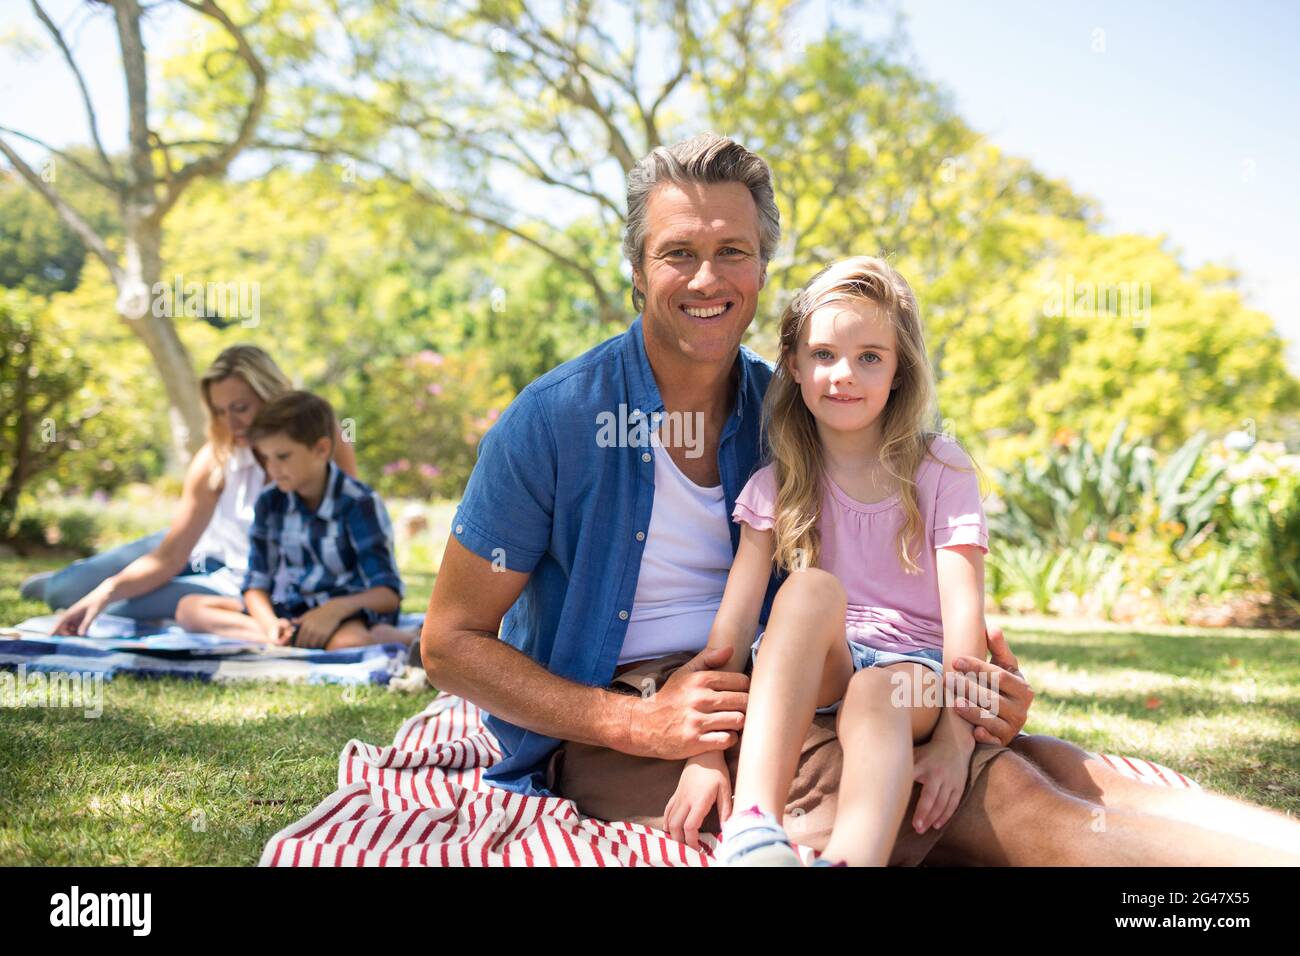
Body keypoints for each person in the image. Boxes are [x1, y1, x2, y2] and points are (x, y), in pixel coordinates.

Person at [422, 131, 1300, 865]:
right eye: (677, 253)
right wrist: (637, 723)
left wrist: (980, 695)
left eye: (733, 250)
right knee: (1024, 812)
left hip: (818, 682)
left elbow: (910, 566)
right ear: (637, 267)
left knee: (1048, 764)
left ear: (763, 267)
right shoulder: (557, 420)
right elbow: (450, 644)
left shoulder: (793, 416)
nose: (706, 277)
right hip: (640, 719)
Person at [667, 256, 989, 866]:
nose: (844, 375)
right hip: (823, 663)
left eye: (870, 356)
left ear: (898, 371)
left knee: (877, 693)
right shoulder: (777, 482)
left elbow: (965, 616)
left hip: (911, 671)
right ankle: (755, 829)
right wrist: (703, 751)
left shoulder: (942, 468)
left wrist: (955, 739)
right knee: (811, 588)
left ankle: (851, 859)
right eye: (823, 355)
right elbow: (732, 628)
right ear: (793, 364)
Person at [25, 345, 358, 635]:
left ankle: (77, 585)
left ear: (271, 395)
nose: (231, 422)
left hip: (235, 578)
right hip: (195, 547)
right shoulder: (216, 458)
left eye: (240, 408)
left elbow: (348, 532)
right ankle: (61, 581)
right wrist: (105, 590)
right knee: (69, 592)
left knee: (116, 611)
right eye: (219, 411)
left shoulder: (322, 445)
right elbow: (170, 555)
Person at [175, 391, 410, 651]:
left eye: (283, 456)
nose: (272, 468)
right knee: (189, 609)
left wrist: (334, 610)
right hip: (294, 609)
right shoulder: (270, 502)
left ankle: (347, 637)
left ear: (320, 449)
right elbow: (256, 584)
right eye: (265, 458)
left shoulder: (358, 502)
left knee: (349, 640)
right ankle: (287, 637)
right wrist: (269, 622)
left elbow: (387, 594)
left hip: (349, 611)